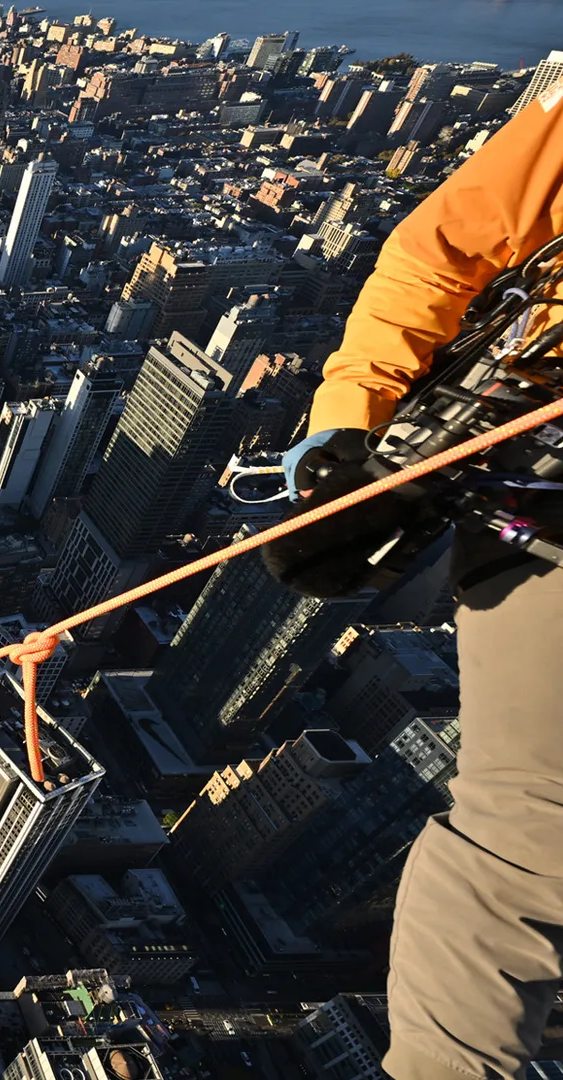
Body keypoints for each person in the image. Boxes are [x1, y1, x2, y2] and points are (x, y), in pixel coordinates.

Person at [276, 86, 563, 1080]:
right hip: (543, 496)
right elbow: (448, 244)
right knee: (522, 839)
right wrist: (349, 437)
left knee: (519, 843)